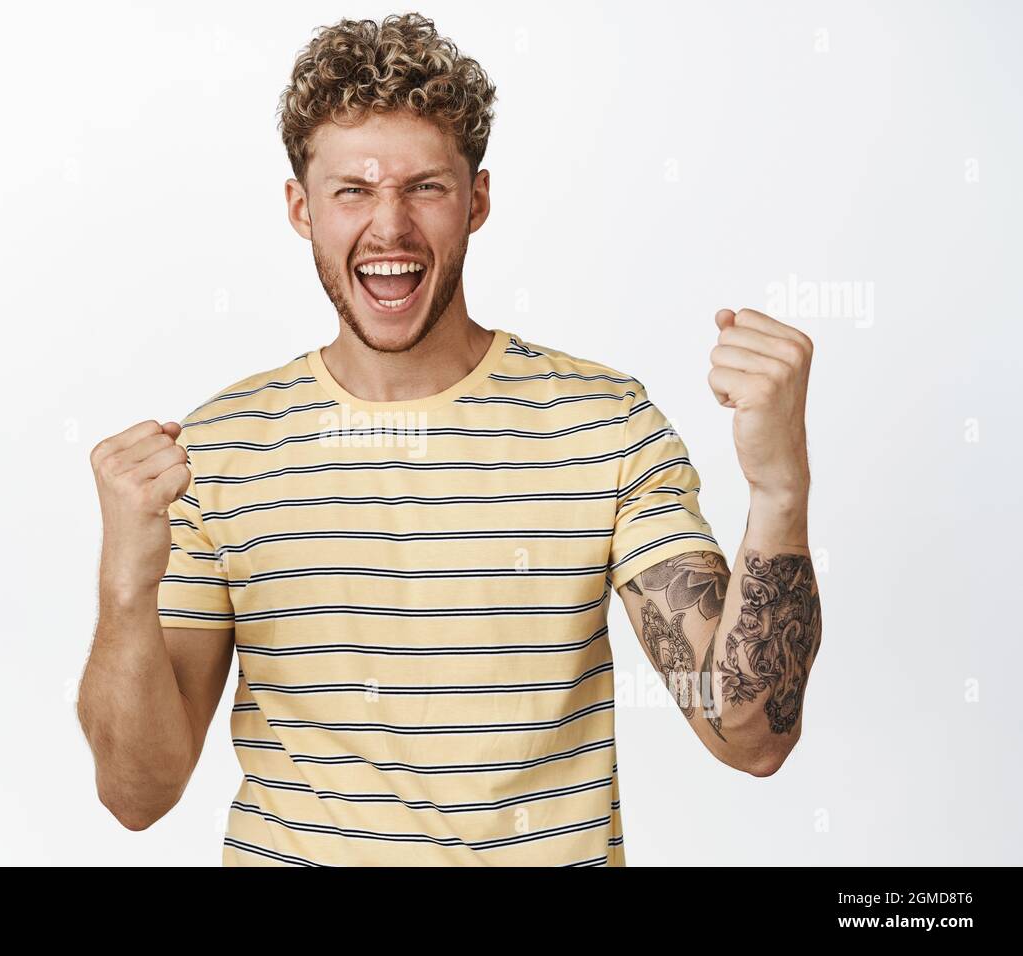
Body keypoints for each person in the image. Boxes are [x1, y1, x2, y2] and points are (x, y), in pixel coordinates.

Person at [77, 12, 822, 866]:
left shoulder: (603, 425)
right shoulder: (219, 448)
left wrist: (779, 493)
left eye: (424, 187)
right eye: (352, 190)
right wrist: (126, 590)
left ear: (478, 200)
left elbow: (750, 735)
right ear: (300, 208)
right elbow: (138, 795)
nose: (388, 227)